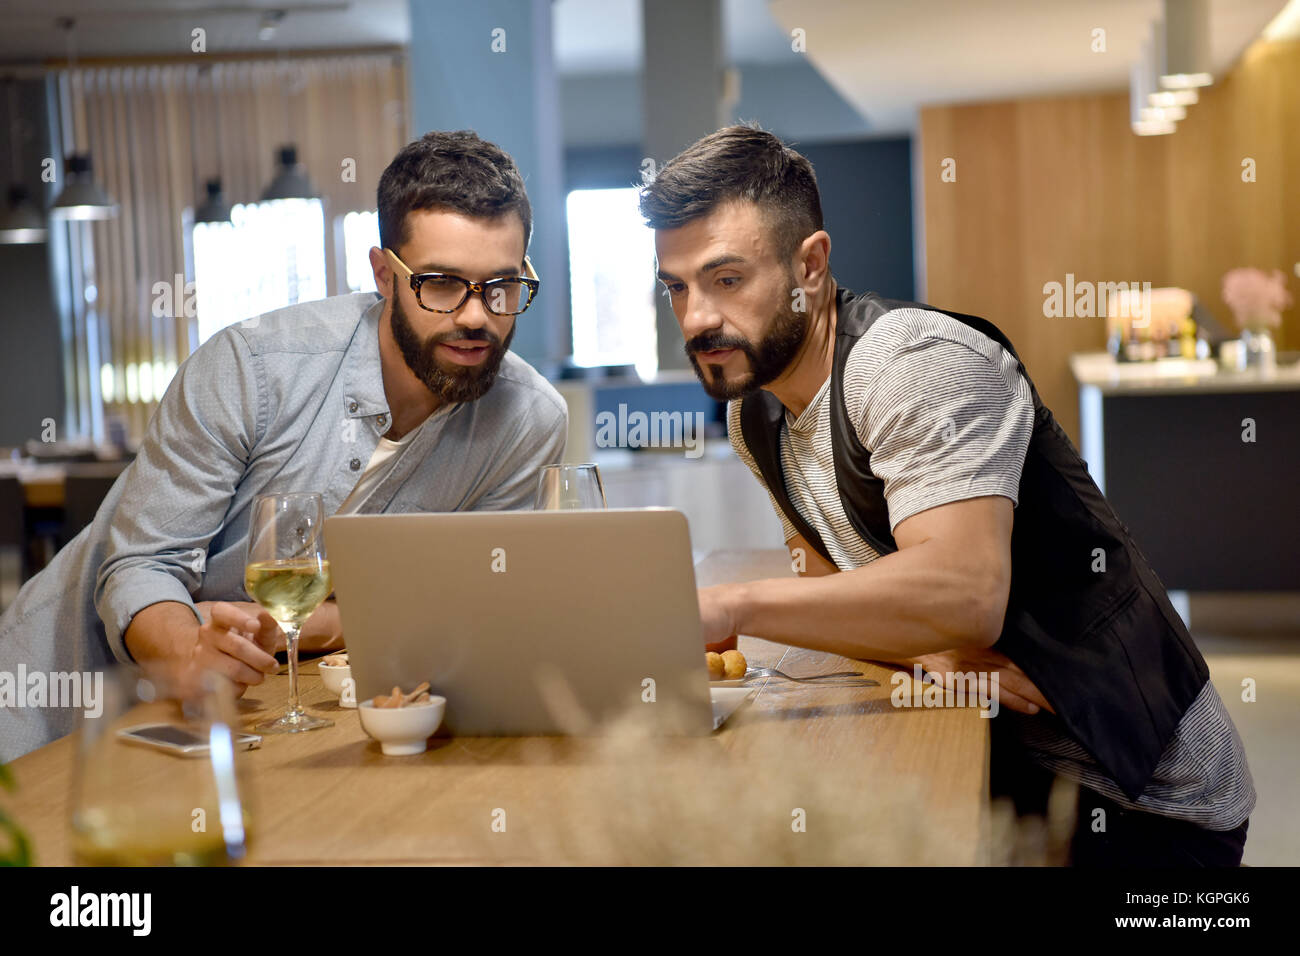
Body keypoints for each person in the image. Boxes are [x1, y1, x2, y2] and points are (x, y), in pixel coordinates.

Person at [639, 124, 1254, 866]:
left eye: (726, 279)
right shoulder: (755, 411)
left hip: (1143, 794)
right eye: (677, 288)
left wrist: (730, 607)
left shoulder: (908, 363)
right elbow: (837, 589)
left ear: (810, 265)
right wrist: (924, 646)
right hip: (993, 753)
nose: (697, 318)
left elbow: (965, 592)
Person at [0, 130, 567, 762]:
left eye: (501, 286)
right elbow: (141, 566)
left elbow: (468, 604)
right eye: (440, 283)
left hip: (256, 719)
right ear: (384, 274)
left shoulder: (528, 420)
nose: (477, 317)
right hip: (59, 696)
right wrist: (189, 648)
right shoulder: (250, 367)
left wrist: (308, 626)